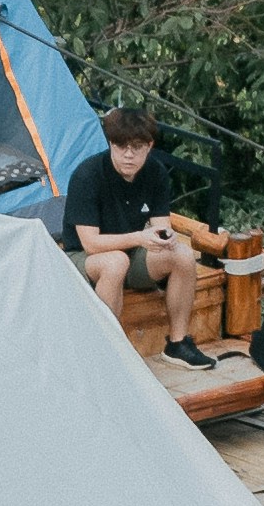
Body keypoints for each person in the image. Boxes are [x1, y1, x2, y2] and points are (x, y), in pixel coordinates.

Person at [63, 108, 217, 368]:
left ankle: (178, 344)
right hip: (84, 258)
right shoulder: (88, 175)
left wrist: (164, 238)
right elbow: (90, 243)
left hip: (130, 254)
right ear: (111, 144)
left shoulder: (155, 172)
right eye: (121, 146)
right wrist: (139, 237)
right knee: (114, 262)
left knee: (182, 255)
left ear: (149, 146)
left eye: (136, 147)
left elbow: (160, 225)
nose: (128, 155)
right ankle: (105, 351)